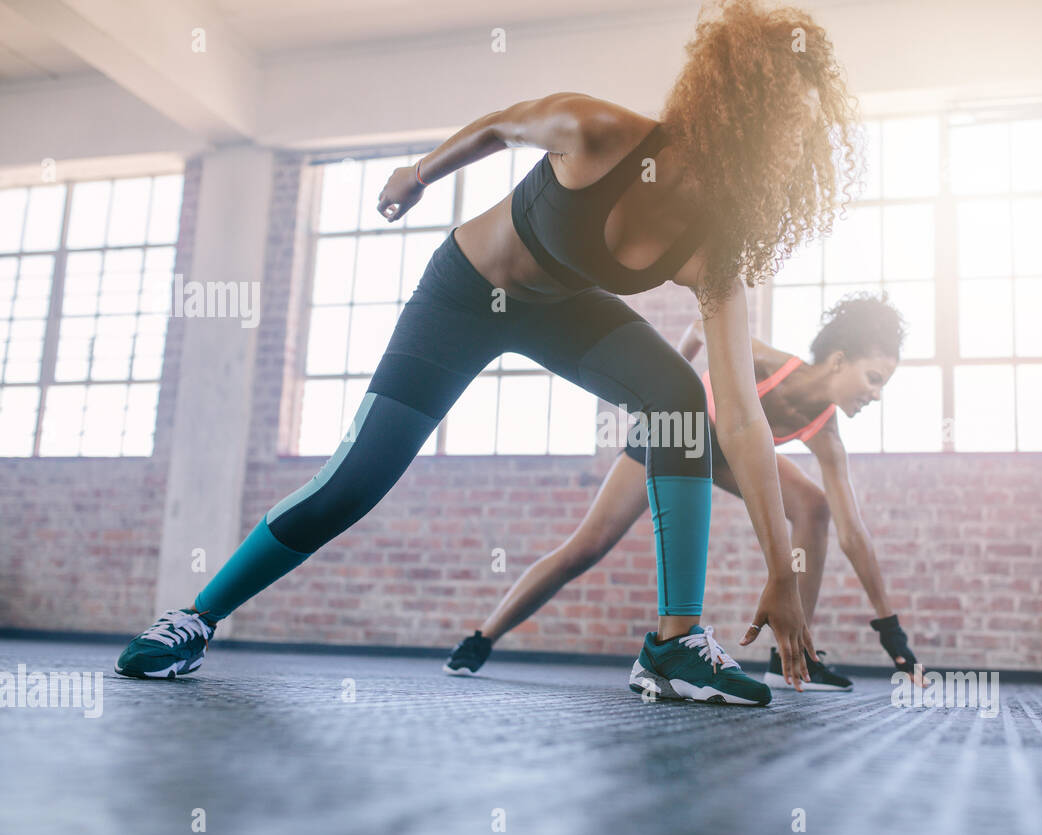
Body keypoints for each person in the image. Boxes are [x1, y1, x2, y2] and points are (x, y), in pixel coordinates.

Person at [114, 0, 862, 706]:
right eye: (780, 123)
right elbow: (504, 127)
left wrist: (781, 570)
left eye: (801, 135)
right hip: (465, 296)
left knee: (676, 396)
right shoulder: (601, 130)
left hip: (561, 311)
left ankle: (674, 647)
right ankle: (195, 618)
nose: (788, 146)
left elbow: (738, 416)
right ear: (733, 108)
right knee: (354, 483)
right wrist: (419, 173)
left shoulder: (717, 247)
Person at [444, 292, 926, 690]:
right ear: (839, 361)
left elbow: (853, 534)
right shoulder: (764, 360)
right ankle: (482, 637)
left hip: (722, 454)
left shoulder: (826, 432)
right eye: (874, 379)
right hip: (674, 433)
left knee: (815, 507)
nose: (877, 394)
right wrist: (660, 390)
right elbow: (700, 328)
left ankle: (794, 656)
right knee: (585, 547)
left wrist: (892, 633)